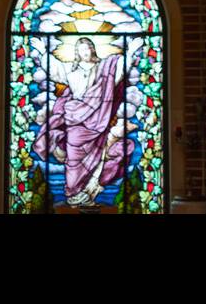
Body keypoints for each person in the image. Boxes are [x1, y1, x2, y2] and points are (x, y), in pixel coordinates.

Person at [34, 36, 137, 208]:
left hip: (98, 121)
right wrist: (43, 51)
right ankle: (73, 193)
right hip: (75, 120)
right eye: (81, 49)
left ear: (92, 49)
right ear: (77, 53)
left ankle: (89, 193)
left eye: (87, 48)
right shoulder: (70, 70)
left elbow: (119, 71)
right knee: (73, 161)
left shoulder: (104, 69)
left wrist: (131, 51)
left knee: (99, 157)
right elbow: (54, 69)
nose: (84, 52)